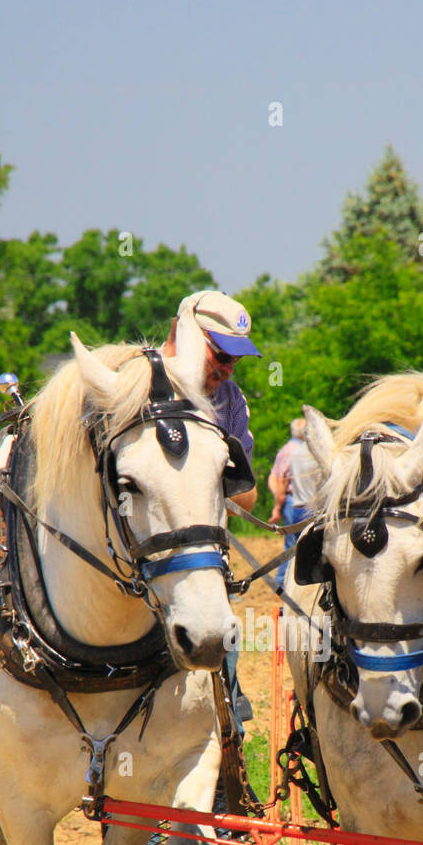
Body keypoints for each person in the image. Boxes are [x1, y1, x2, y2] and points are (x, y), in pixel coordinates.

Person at [160, 290, 261, 726]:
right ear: (183, 333)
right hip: (136, 568)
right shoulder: (134, 380)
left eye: (234, 360)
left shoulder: (231, 402)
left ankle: (227, 771)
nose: (225, 368)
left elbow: (246, 499)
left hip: (204, 570)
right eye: (219, 354)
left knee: (222, 677)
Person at [267, 418, 304, 591]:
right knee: (294, 543)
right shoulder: (298, 451)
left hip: (287, 499)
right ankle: (282, 581)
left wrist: (277, 501)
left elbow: (273, 477)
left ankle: (283, 580)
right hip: (294, 499)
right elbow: (282, 480)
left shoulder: (285, 449)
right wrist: (278, 504)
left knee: (291, 542)